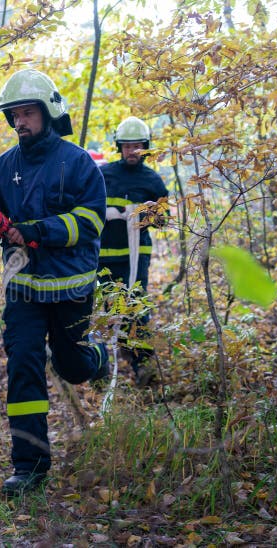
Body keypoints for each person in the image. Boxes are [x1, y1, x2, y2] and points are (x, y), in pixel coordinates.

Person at [0, 69, 109, 496]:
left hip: (71, 286)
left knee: (71, 366)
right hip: (23, 290)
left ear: (49, 114)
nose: (20, 123)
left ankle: (96, 359)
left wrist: (37, 231)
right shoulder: (0, 168)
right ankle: (29, 466)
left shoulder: (79, 162)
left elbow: (90, 221)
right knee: (24, 369)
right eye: (14, 115)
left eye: (28, 113)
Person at [97, 116, 169, 388]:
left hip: (136, 258)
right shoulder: (103, 175)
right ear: (119, 147)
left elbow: (164, 219)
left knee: (136, 309)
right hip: (104, 257)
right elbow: (87, 208)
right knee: (107, 311)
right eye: (127, 146)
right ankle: (101, 369)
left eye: (137, 146)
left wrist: (148, 214)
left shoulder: (152, 180)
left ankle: (144, 368)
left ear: (145, 147)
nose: (132, 151)